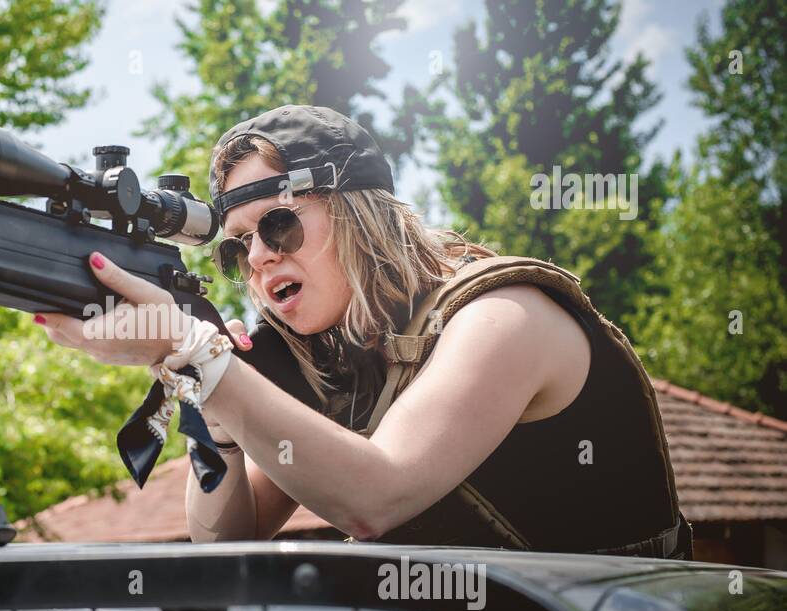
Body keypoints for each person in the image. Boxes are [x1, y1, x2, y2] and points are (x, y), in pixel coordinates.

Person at [37, 105, 691, 558]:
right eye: (238, 246)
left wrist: (199, 355)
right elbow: (225, 539)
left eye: (279, 226)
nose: (258, 258)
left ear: (359, 214)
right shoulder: (334, 363)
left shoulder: (503, 318)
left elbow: (376, 496)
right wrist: (208, 396)